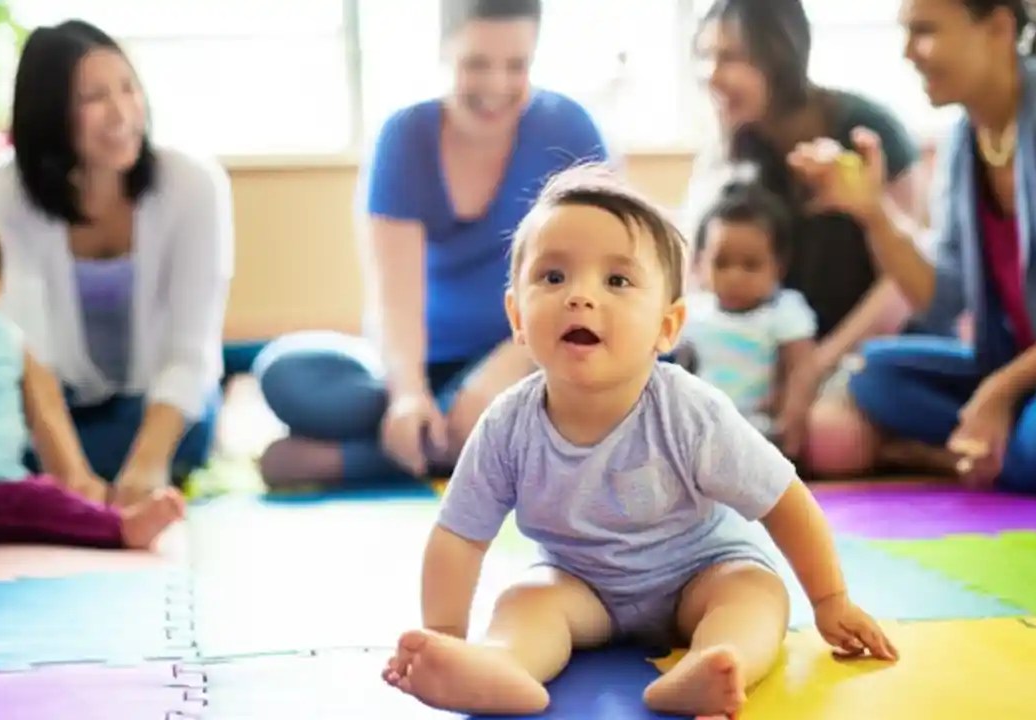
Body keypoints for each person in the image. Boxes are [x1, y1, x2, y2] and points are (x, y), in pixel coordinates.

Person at [382, 167, 896, 717]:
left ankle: (718, 663)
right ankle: (498, 665)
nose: (580, 297)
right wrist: (445, 634)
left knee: (755, 594)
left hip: (702, 569)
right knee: (524, 601)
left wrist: (829, 599)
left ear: (668, 326)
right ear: (517, 317)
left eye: (617, 281)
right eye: (553, 277)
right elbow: (459, 536)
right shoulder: (508, 424)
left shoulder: (690, 411)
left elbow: (783, 499)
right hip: (579, 585)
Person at [788, 0, 1036, 495]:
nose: (907, 53)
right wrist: (873, 213)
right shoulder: (966, 140)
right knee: (873, 374)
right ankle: (1004, 450)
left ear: (999, 28)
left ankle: (948, 456)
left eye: (925, 32)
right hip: (1032, 374)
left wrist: (999, 391)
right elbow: (941, 300)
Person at [253, 0, 608, 487]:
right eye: (476, 64)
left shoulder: (571, 129)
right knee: (284, 373)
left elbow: (595, 282)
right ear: (445, 51)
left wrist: (508, 366)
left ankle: (362, 462)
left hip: (535, 359)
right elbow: (394, 300)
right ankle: (452, 443)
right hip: (425, 363)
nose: (496, 86)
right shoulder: (403, 137)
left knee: (608, 385)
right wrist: (408, 395)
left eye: (516, 66)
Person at [0, 20, 234, 508]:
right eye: (93, 98)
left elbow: (191, 348)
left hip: (157, 409)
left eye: (129, 88)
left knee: (186, 433)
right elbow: (26, 353)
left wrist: (147, 467)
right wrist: (72, 479)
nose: (122, 113)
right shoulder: (4, 189)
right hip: (51, 414)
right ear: (49, 112)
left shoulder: (195, 184)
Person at [685, 0, 928, 475]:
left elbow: (905, 281)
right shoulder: (732, 150)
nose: (712, 76)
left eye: (732, 58)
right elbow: (698, 276)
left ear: (782, 55)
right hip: (773, 357)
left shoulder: (866, 132)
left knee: (830, 443)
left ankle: (916, 445)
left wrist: (815, 366)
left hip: (861, 349)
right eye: (705, 57)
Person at [0, 210, 185, 583]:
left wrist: (74, 477)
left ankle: (123, 528)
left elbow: (45, 414)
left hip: (4, 486)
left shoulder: (10, 344)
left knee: (54, 503)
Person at [676, 183, 817, 440]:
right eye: (721, 263)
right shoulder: (693, 313)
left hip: (757, 424)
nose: (734, 277)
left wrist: (791, 417)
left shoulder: (784, 311)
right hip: (699, 423)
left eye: (751, 265)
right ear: (699, 263)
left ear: (779, 266)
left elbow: (802, 369)